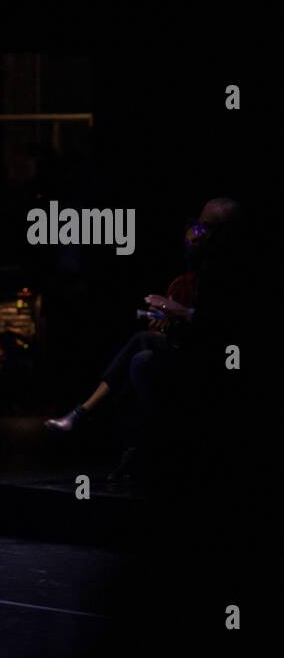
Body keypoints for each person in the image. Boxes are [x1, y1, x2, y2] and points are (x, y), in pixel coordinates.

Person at [44, 198, 243, 478]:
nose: (197, 234)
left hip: (221, 362)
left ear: (225, 232)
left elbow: (225, 326)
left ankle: (83, 415)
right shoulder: (203, 267)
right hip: (192, 351)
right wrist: (169, 320)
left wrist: (180, 311)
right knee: (142, 360)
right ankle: (132, 450)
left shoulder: (236, 271)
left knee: (141, 344)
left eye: (205, 228)